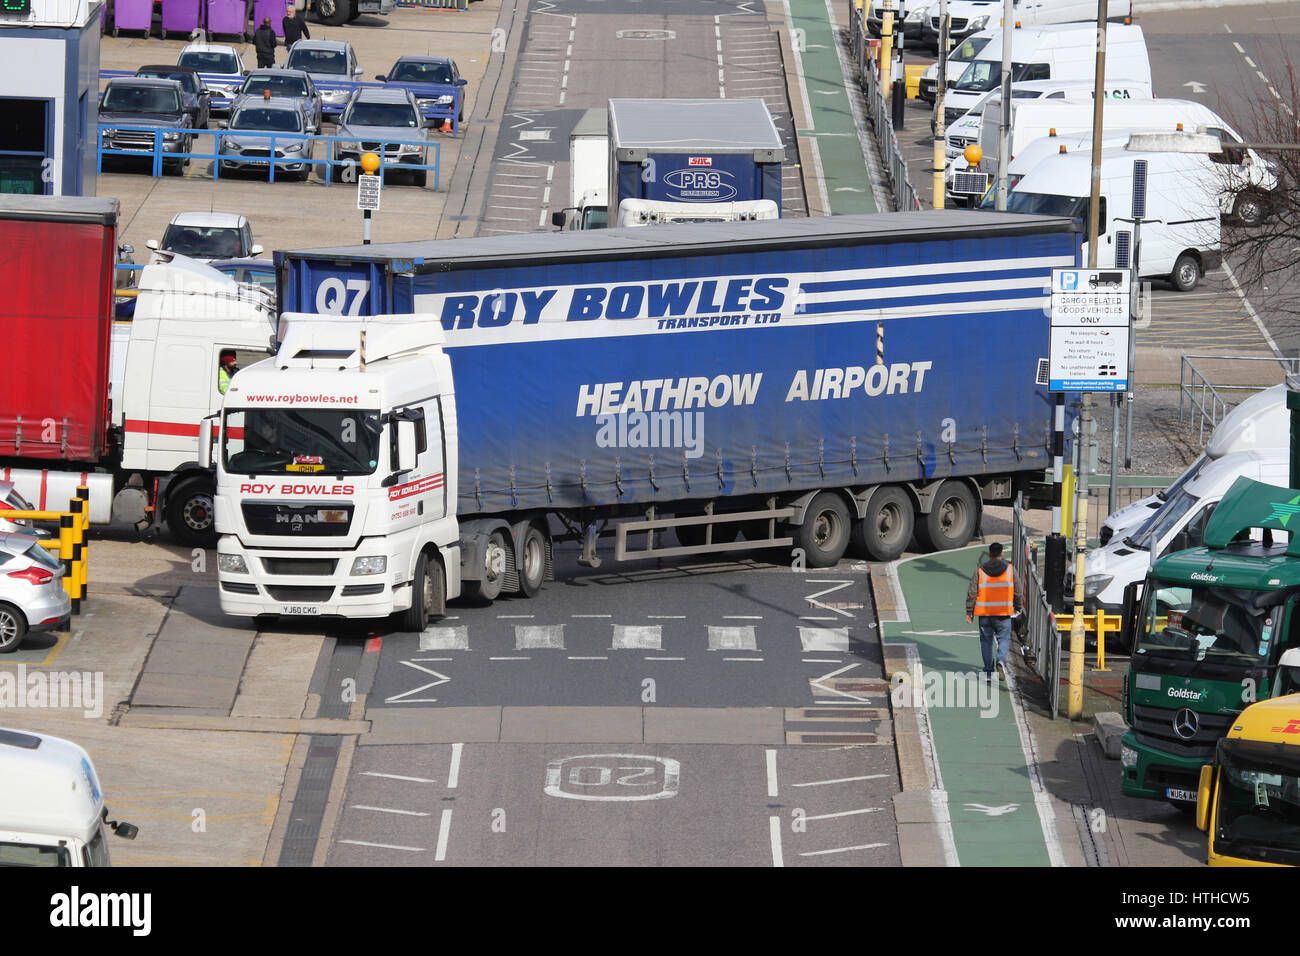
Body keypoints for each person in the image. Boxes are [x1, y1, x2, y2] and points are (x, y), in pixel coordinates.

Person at [965, 542, 1024, 681]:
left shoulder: (979, 570)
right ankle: (1001, 661)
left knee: (986, 641)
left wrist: (969, 611)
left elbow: (972, 592)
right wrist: (1018, 606)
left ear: (989, 554)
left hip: (984, 614)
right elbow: (1018, 591)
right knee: (1003, 638)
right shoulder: (1010, 569)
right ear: (1002, 554)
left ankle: (988, 672)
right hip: (1003, 613)